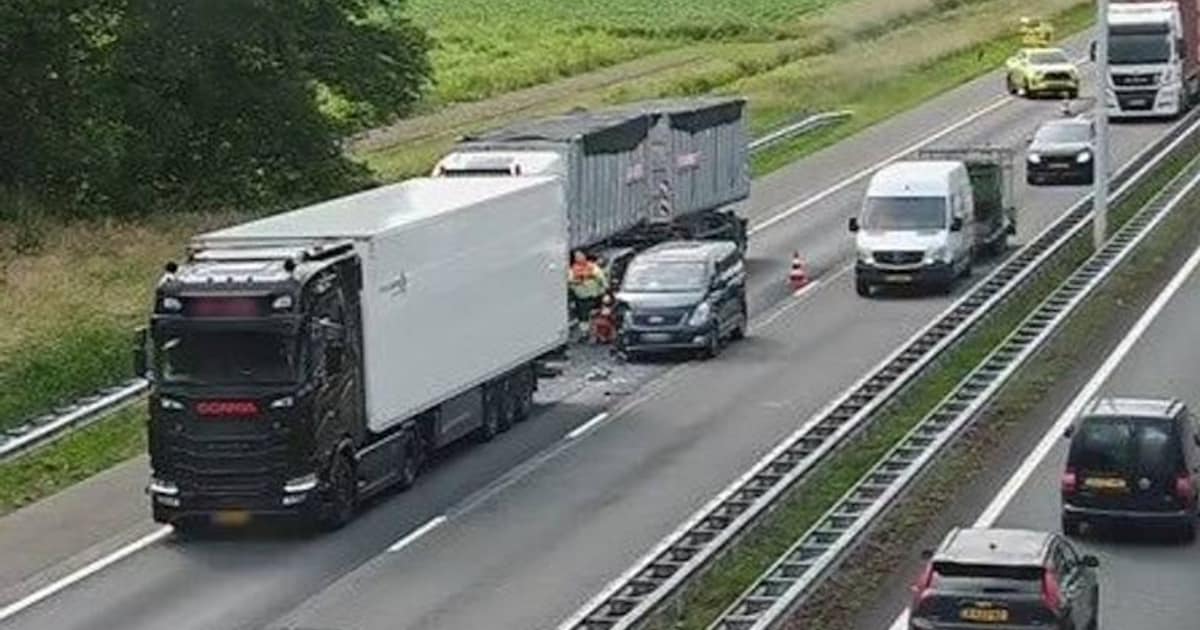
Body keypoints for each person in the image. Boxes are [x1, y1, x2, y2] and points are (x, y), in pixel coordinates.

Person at [568, 251, 608, 332]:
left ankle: (598, 329)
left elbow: (601, 277)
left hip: (596, 296)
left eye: (581, 255)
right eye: (577, 257)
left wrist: (605, 288)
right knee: (583, 317)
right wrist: (578, 281)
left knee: (599, 313)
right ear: (574, 259)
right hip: (582, 298)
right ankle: (585, 332)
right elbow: (570, 281)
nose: (580, 258)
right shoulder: (572, 270)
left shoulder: (592, 266)